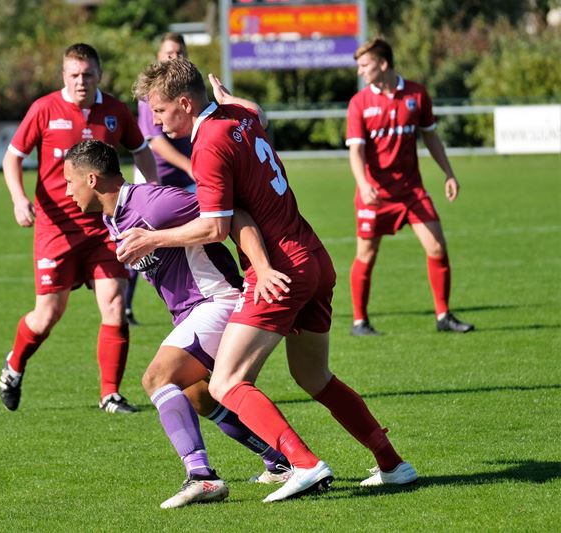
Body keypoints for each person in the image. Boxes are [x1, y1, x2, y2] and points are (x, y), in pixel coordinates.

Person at [119, 58, 417, 502]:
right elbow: (255, 111)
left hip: (278, 269)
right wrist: (231, 99)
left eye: (160, 111)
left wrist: (152, 238)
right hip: (313, 257)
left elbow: (215, 227)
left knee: (225, 382)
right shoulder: (238, 116)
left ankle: (303, 464)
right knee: (314, 376)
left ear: (185, 103)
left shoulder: (208, 145)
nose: (156, 122)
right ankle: (392, 464)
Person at [64, 140, 298, 508]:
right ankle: (279, 461)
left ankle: (202, 477)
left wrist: (263, 269)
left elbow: (231, 214)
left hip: (217, 300)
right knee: (198, 395)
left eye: (69, 182)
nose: (67, 191)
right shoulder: (112, 217)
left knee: (157, 378)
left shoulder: (153, 203)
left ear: (91, 179)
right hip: (192, 312)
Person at [0, 43, 158, 414]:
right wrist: (19, 199)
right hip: (56, 229)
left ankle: (110, 395)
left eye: (87, 74)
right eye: (74, 75)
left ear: (99, 75)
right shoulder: (44, 109)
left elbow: (142, 151)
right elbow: (12, 158)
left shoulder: (115, 111)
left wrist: (149, 195)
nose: (81, 81)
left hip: (105, 225)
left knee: (115, 303)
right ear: (64, 76)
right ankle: (14, 366)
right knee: (47, 315)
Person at [346, 38, 474, 336]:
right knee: (366, 254)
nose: (360, 71)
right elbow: (356, 152)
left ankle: (443, 316)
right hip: (376, 194)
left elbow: (430, 137)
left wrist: (449, 173)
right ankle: (359, 322)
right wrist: (363, 184)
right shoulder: (359, 103)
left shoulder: (416, 94)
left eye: (364, 65)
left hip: (412, 190)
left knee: (437, 246)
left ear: (383, 64)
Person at [126, 32, 195, 325]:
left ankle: (195, 301)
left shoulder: (191, 88)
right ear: (158, 56)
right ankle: (124, 305)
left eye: (179, 52)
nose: (174, 57)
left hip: (186, 177)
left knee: (199, 238)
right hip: (154, 179)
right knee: (137, 242)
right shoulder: (151, 93)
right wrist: (191, 166)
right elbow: (154, 142)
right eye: (169, 53)